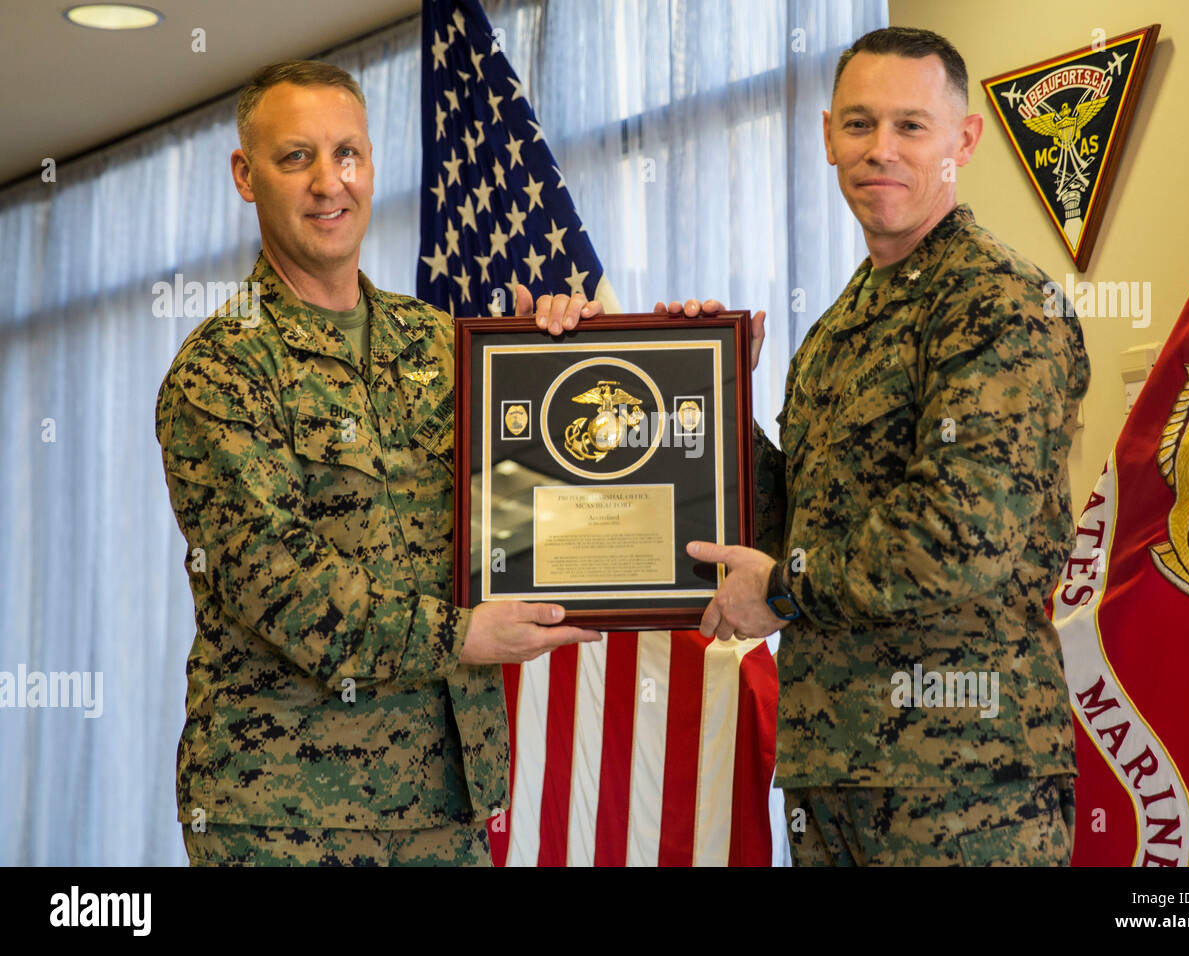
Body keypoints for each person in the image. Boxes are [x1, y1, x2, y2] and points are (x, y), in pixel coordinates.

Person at [155, 60, 603, 866]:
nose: (330, 184)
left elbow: (536, 497)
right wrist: (463, 634)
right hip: (284, 811)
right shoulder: (221, 369)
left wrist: (600, 366)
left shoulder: (441, 343)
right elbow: (280, 582)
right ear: (246, 175)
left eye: (347, 155)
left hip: (446, 798)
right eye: (296, 158)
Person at [680, 27, 1091, 865]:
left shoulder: (999, 304)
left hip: (966, 786)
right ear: (829, 135)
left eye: (911, 126)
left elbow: (959, 536)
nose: (882, 151)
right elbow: (795, 522)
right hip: (835, 770)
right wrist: (715, 398)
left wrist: (785, 592)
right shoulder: (837, 328)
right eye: (860, 125)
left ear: (962, 140)